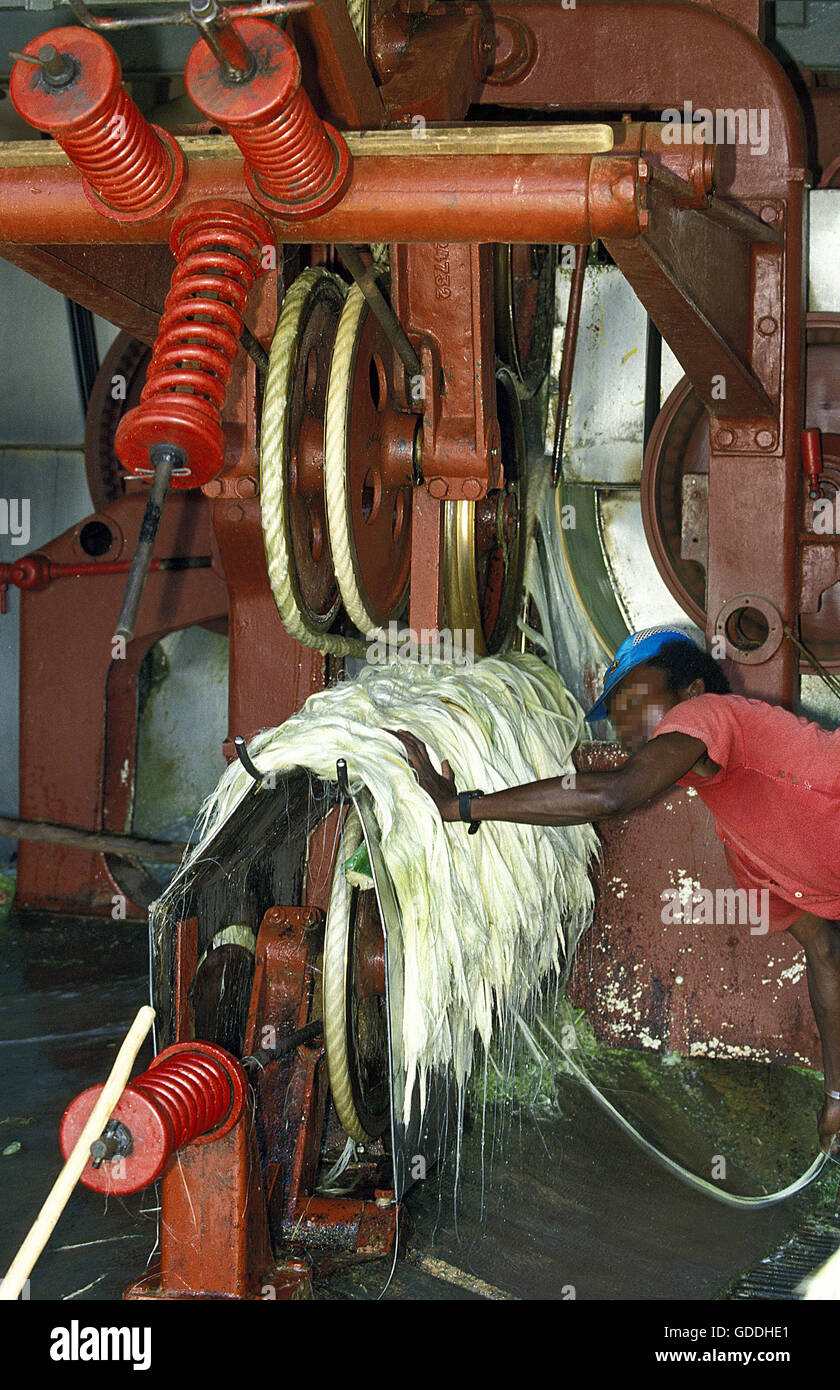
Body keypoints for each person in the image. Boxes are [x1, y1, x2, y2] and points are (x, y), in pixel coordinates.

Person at [393, 626, 840, 1153]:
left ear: (692, 690)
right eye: (611, 712)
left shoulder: (711, 714)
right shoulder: (748, 855)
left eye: (631, 698)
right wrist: (836, 1094)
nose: (621, 722)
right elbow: (825, 952)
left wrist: (462, 806)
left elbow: (613, 795)